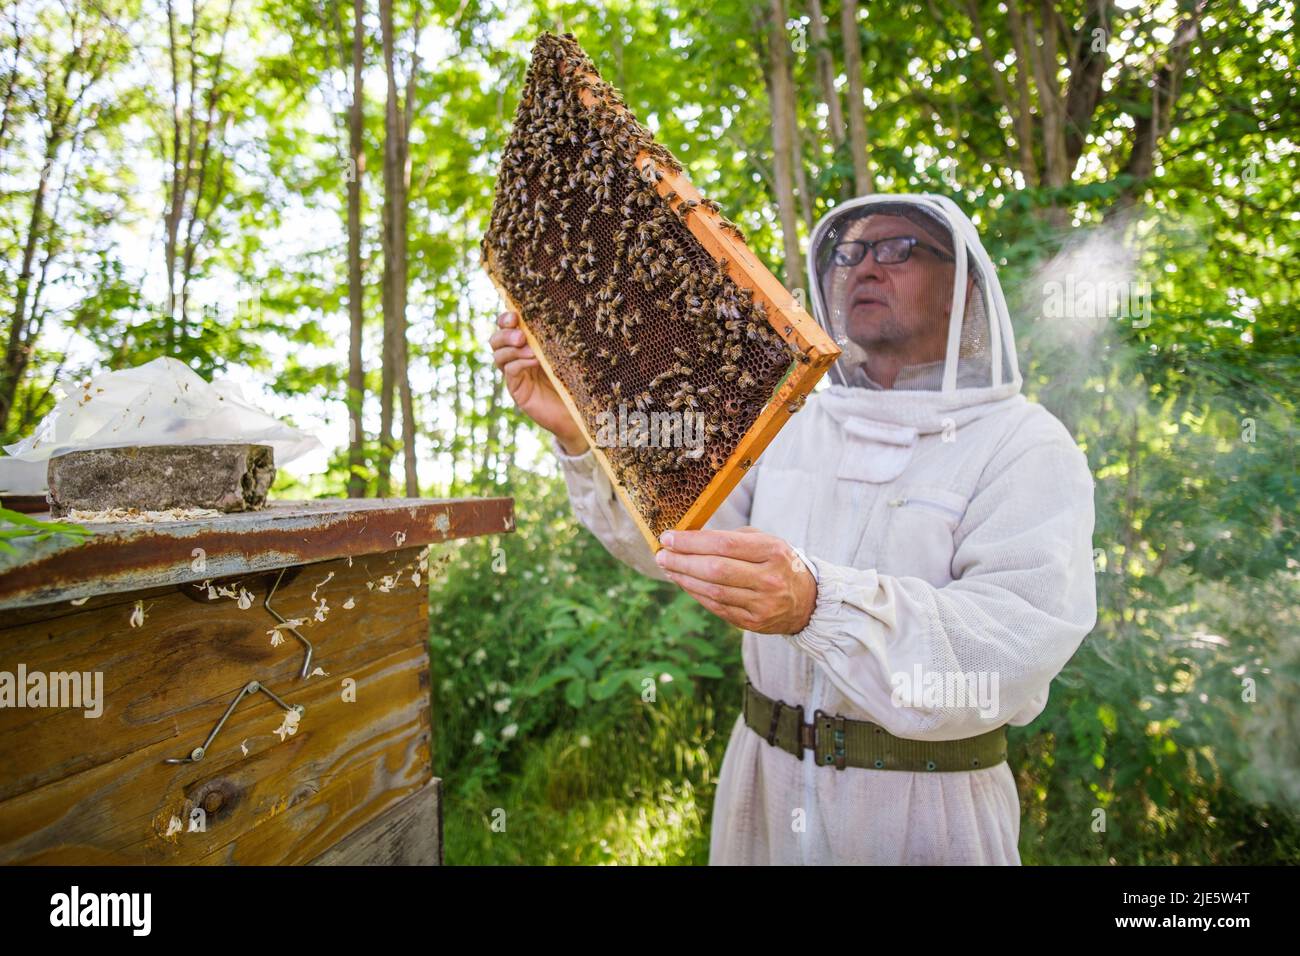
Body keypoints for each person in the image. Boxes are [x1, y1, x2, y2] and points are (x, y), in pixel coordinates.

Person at [489, 193, 1097, 865]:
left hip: (925, 813)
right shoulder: (793, 422)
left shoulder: (1024, 444)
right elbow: (683, 542)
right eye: (848, 252)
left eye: (898, 249)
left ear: (962, 290)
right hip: (763, 792)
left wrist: (818, 604)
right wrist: (583, 431)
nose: (864, 266)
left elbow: (1009, 648)